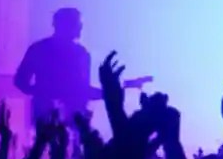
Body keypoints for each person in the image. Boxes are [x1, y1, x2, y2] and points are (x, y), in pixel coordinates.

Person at [14, 8, 146, 124]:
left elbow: (20, 81)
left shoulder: (40, 48)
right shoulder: (79, 54)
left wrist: (44, 93)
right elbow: (83, 91)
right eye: (78, 23)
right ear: (67, 25)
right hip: (67, 119)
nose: (81, 27)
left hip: (59, 118)